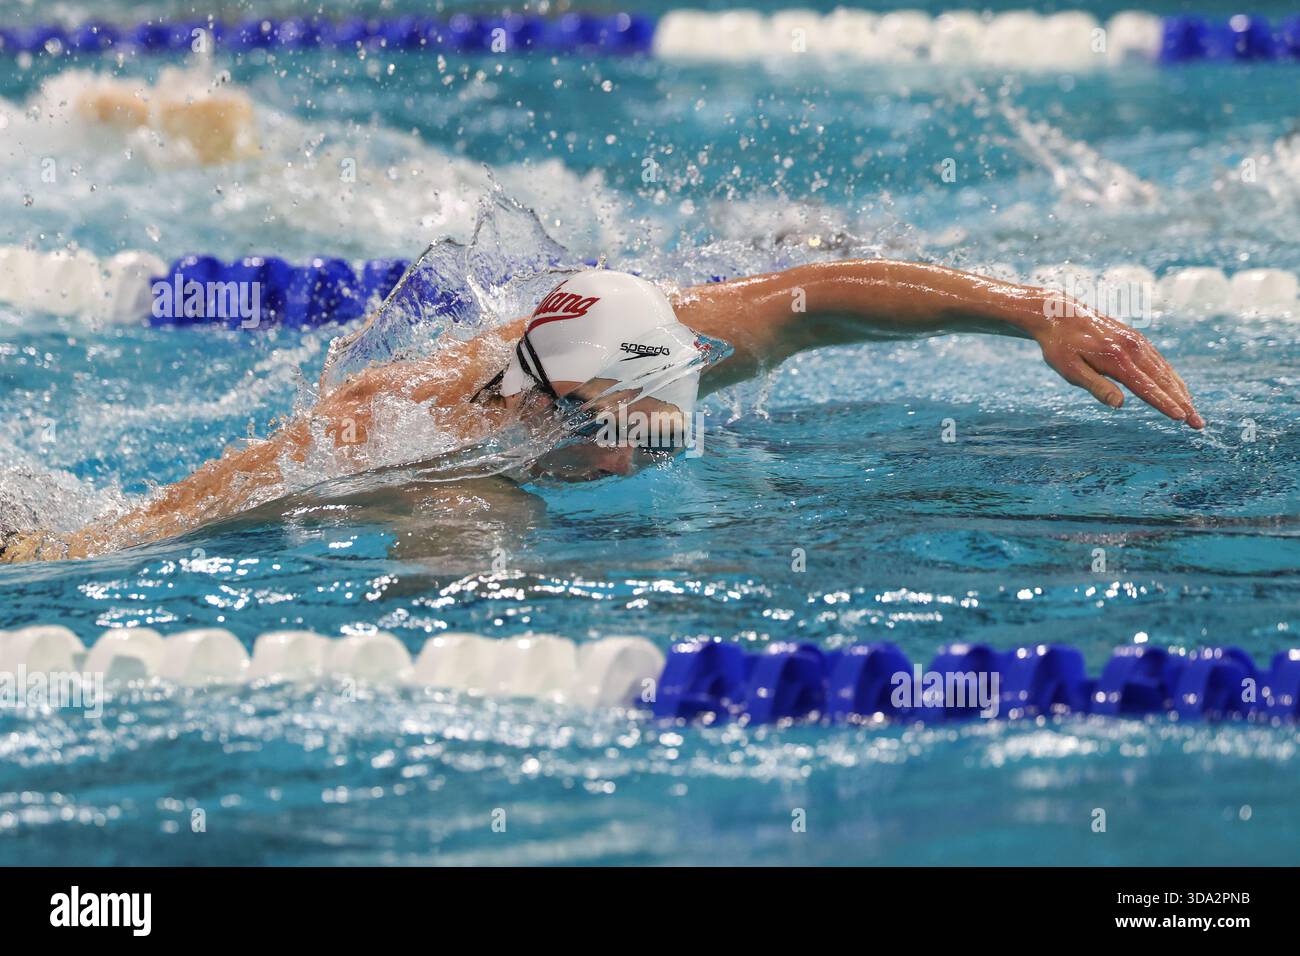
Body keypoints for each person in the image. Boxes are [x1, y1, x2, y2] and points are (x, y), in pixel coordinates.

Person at [0, 261, 1202, 563]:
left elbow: (822, 300)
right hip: (421, 475)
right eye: (631, 435)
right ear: (561, 404)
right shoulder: (426, 435)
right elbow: (182, 519)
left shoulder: (641, 334)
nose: (643, 456)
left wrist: (1033, 310)